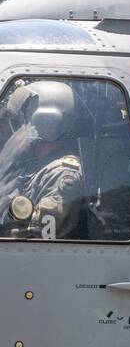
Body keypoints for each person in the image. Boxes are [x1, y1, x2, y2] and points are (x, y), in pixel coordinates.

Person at [0, 81, 85, 240]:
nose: (16, 131)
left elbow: (38, 236)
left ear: (46, 124)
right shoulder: (34, 164)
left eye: (21, 123)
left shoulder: (62, 174)